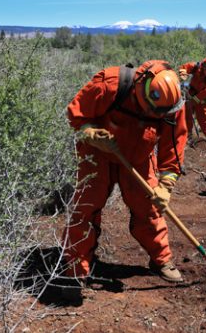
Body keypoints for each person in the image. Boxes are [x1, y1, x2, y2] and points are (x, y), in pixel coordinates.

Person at [63, 60, 188, 285]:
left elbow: (173, 144)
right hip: (98, 153)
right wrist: (90, 133)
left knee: (149, 209)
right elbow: (76, 114)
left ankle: (161, 260)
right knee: (86, 208)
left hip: (139, 156)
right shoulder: (110, 84)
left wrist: (166, 185)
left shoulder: (171, 104)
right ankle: (75, 267)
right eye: (152, 109)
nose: (155, 114)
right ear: (142, 88)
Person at [179, 57, 206, 145]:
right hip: (191, 92)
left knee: (204, 117)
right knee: (187, 115)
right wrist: (183, 76)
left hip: (201, 98)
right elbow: (184, 67)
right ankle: (188, 135)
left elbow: (204, 93)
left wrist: (193, 101)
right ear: (204, 68)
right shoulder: (195, 67)